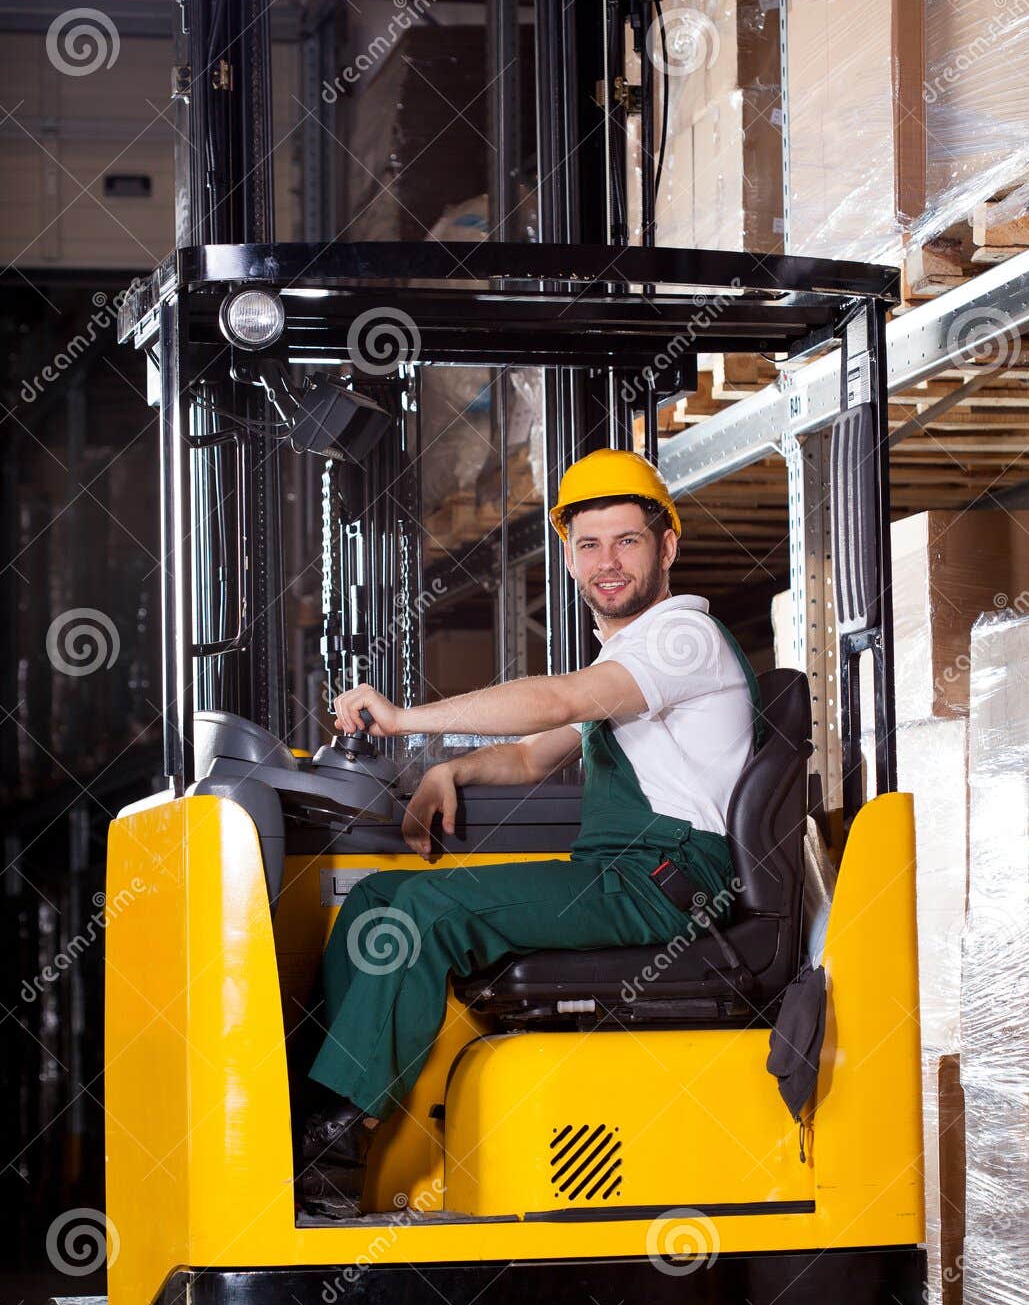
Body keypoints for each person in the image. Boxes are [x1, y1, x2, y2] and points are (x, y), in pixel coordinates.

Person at [299, 447, 759, 1206]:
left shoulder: (683, 640)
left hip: (666, 883)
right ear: (569, 556)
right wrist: (453, 769)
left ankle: (340, 1143)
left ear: (666, 546)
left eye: (627, 540)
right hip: (626, 876)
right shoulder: (631, 658)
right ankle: (332, 1121)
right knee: (377, 900)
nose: (606, 562)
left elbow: (555, 704)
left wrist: (405, 719)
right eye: (587, 545)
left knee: (419, 911)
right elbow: (530, 755)